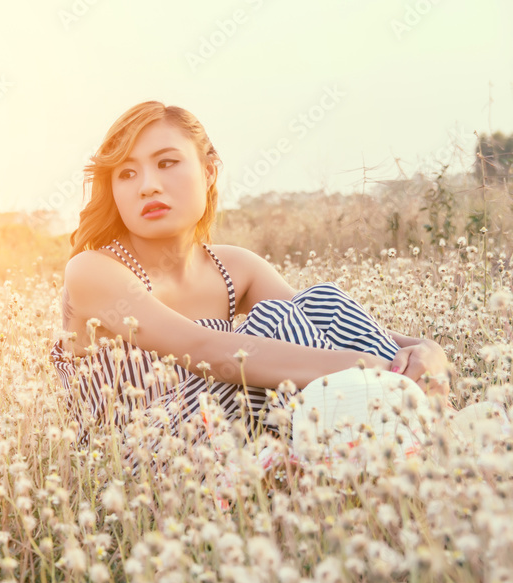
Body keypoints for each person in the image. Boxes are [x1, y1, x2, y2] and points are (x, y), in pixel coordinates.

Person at [49, 101, 451, 476]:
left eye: (167, 162)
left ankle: (412, 433)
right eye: (126, 173)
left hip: (229, 440)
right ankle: (398, 433)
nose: (147, 186)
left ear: (208, 172)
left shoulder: (233, 266)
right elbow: (206, 350)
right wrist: (369, 372)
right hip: (136, 459)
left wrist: (425, 351)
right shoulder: (92, 269)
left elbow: (323, 320)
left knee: (321, 299)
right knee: (274, 321)